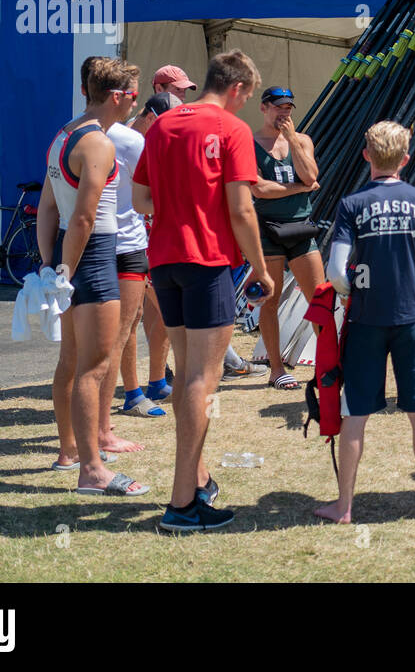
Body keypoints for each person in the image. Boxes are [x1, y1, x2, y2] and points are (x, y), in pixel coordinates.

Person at [132, 51, 274, 533]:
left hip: (164, 259)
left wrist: (178, 211)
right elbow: (241, 209)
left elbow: (140, 198)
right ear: (235, 87)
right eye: (249, 97)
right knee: (201, 382)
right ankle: (181, 502)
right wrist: (259, 266)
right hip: (208, 261)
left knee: (188, 376)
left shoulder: (163, 125)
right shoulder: (231, 129)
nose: (247, 106)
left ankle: (197, 479)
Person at [316, 121, 415, 523]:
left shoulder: (351, 204)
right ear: (407, 160)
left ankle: (344, 506)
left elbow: (337, 271)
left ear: (366, 156)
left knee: (355, 414)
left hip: (365, 320)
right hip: (411, 320)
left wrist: (350, 290)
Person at [36, 57, 150, 497]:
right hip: (94, 256)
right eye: (133, 97)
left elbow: (48, 208)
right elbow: (83, 218)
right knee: (95, 367)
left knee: (71, 360)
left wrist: (52, 267)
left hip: (70, 253)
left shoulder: (63, 134)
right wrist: (66, 269)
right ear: (117, 96)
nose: (134, 106)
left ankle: (69, 452)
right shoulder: (99, 144)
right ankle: (93, 471)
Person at [251, 85, 324, 392]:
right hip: (267, 228)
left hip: (300, 227)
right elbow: (260, 189)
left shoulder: (301, 139)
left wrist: (292, 139)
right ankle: (276, 369)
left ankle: (329, 364)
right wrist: (300, 189)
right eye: (278, 107)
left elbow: (311, 175)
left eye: (289, 108)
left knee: (320, 299)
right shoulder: (251, 143)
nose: (284, 113)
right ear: (264, 108)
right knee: (270, 301)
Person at [123, 92, 181, 408]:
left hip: (151, 235)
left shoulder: (153, 139)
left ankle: (157, 381)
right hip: (129, 240)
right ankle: (132, 394)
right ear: (150, 117)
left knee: (166, 311)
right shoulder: (127, 141)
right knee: (133, 316)